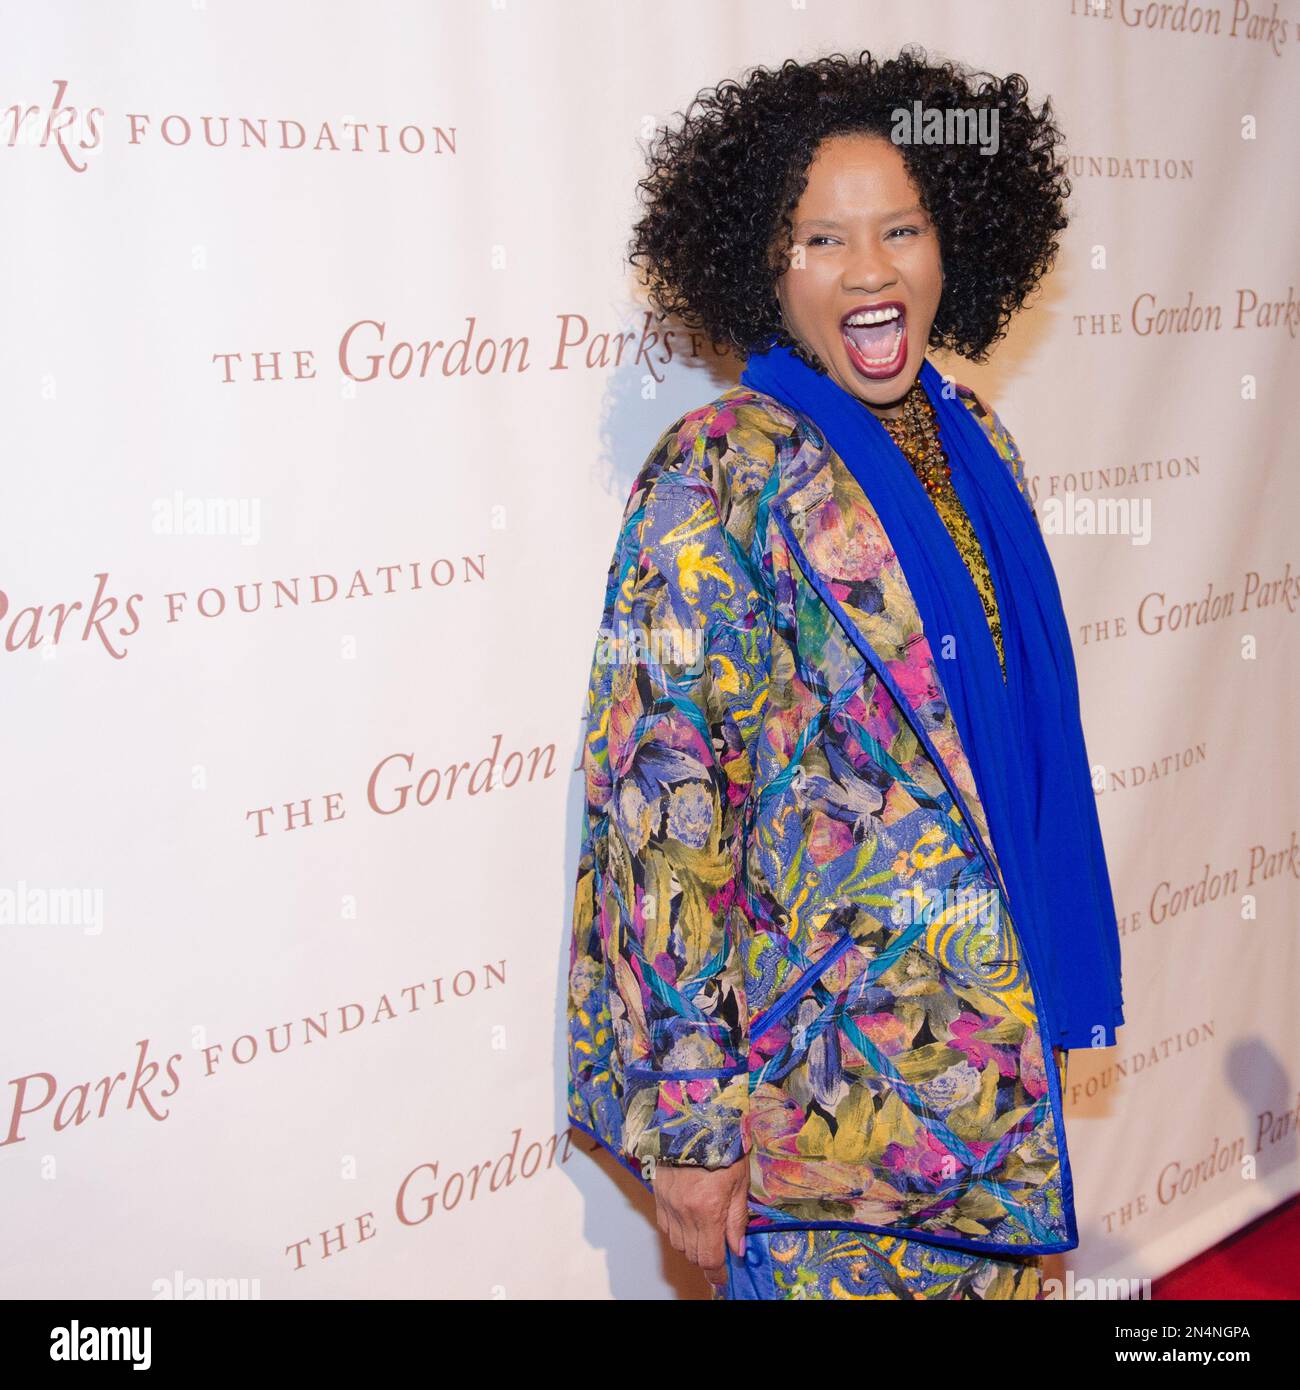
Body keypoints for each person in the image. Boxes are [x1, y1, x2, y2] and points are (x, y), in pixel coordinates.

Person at [566, 47, 1124, 1301]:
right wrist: (695, 1126)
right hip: (819, 1123)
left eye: (901, 230)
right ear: (764, 269)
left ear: (953, 245)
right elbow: (662, 815)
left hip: (986, 1089)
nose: (869, 270)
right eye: (820, 240)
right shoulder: (714, 474)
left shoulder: (975, 439)